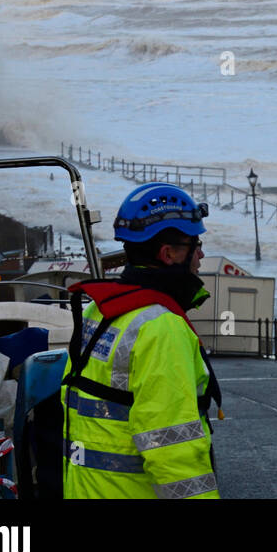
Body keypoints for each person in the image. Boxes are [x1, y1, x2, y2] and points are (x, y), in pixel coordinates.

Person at [61, 182, 223, 499]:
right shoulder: (161, 327)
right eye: (195, 243)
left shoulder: (100, 310)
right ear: (169, 253)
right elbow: (173, 447)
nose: (201, 254)